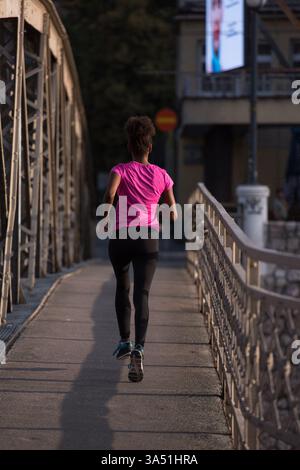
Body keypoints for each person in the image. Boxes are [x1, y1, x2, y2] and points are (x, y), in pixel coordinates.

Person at [102, 116, 177, 383]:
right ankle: (139, 349)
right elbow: (172, 212)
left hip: (121, 236)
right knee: (142, 293)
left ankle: (124, 341)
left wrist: (107, 213)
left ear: (129, 145)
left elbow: (110, 196)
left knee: (123, 287)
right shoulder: (162, 175)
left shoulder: (119, 170)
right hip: (147, 238)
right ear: (150, 147)